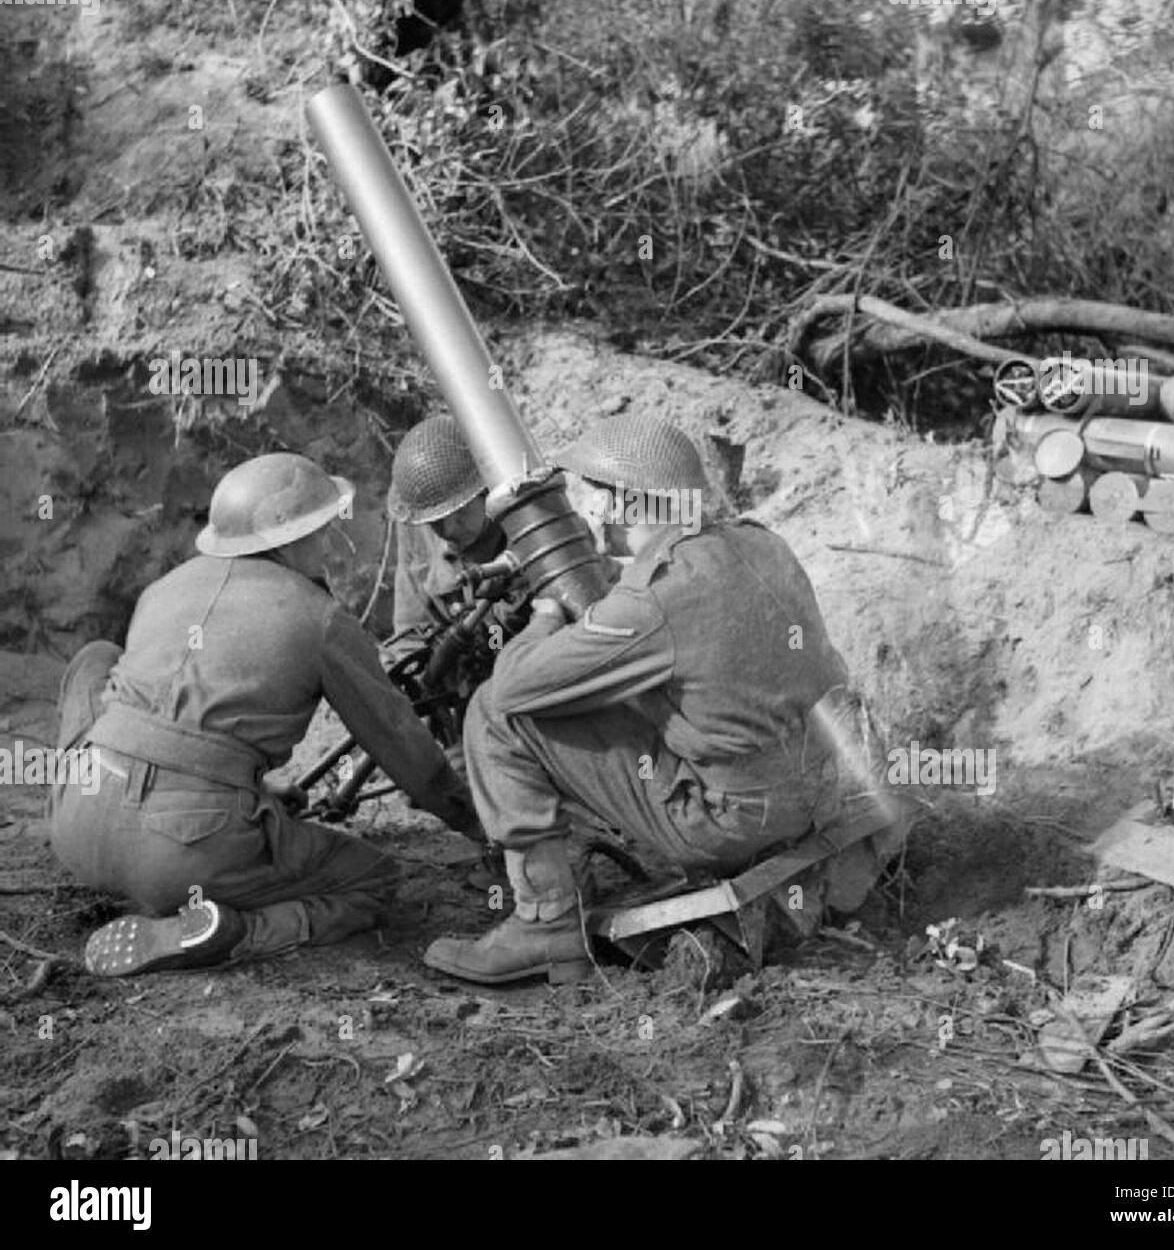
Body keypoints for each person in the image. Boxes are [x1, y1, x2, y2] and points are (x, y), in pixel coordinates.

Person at [422, 416, 899, 986]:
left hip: (729, 823)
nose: (590, 512)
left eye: (595, 496)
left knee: (491, 714)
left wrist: (547, 612)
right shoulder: (759, 544)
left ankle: (544, 922)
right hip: (822, 788)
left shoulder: (654, 603)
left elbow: (515, 687)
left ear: (629, 501)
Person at [50, 452, 469, 977]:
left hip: (76, 823)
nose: (328, 541)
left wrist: (258, 794)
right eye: (320, 529)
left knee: (95, 659)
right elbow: (407, 755)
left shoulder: (162, 589)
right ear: (292, 537)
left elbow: (170, 727)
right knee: (372, 879)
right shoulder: (321, 619)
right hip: (180, 856)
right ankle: (233, 931)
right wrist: (480, 823)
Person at [385, 415, 528, 688]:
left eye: (460, 512)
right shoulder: (419, 512)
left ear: (487, 490)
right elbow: (409, 630)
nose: (448, 529)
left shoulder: (525, 513)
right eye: (435, 521)